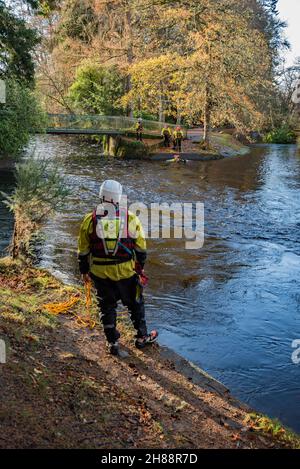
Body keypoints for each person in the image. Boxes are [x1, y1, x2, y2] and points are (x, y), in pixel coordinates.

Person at [78, 180, 158, 358]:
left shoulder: (89, 220)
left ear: (101, 196)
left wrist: (84, 271)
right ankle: (142, 337)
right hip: (126, 274)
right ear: (119, 198)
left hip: (99, 274)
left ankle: (112, 343)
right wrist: (139, 268)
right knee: (136, 304)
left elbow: (83, 251)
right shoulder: (131, 218)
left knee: (106, 307)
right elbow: (141, 249)